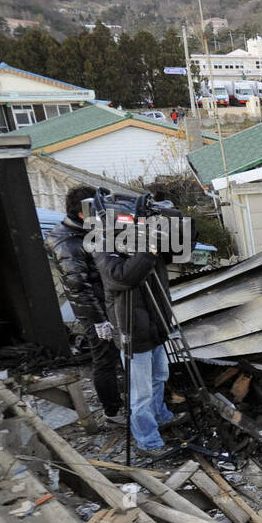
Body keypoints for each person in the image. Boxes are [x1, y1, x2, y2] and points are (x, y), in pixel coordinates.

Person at [93, 205, 177, 455]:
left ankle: (160, 416)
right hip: (133, 332)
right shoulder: (104, 249)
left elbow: (180, 249)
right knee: (140, 394)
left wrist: (171, 218)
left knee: (159, 378)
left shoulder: (147, 244)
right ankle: (147, 441)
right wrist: (147, 247)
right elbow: (125, 277)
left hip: (156, 327)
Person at [44, 186, 125, 426]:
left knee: (117, 354)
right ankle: (113, 412)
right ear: (83, 213)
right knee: (104, 357)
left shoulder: (88, 230)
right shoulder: (66, 243)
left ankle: (123, 399)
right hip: (93, 309)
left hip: (108, 302)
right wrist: (100, 321)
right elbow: (79, 288)